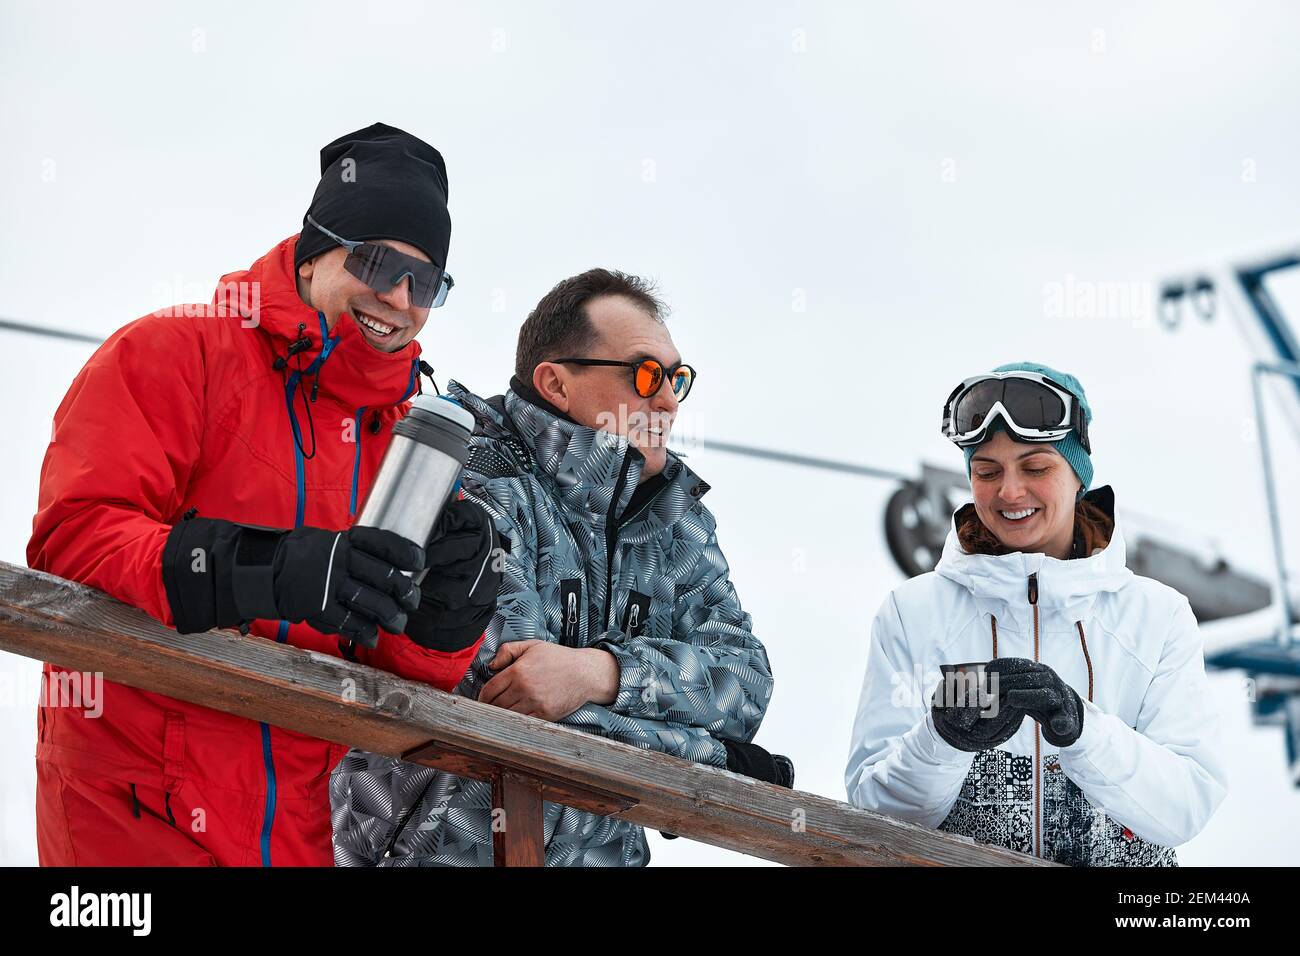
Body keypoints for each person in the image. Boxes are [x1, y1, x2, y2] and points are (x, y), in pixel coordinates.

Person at [27, 123, 499, 866]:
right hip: (131, 804)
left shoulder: (403, 445)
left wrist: (448, 615)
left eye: (427, 282)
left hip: (293, 827)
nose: (399, 298)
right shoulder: (174, 352)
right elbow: (74, 542)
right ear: (315, 252)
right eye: (376, 261)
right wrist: (271, 571)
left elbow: (399, 676)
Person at [331, 268, 789, 866]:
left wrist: (604, 673)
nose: (669, 401)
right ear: (555, 382)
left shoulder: (675, 521)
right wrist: (718, 761)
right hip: (422, 856)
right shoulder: (471, 475)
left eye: (677, 378)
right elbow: (510, 701)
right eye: (646, 374)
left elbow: (746, 684)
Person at [844, 361, 1227, 865]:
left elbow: (1184, 809)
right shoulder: (911, 615)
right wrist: (942, 739)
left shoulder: (1158, 618)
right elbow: (873, 814)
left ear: (1078, 476)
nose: (1009, 491)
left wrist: (1083, 731)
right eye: (987, 471)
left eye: (1036, 467)